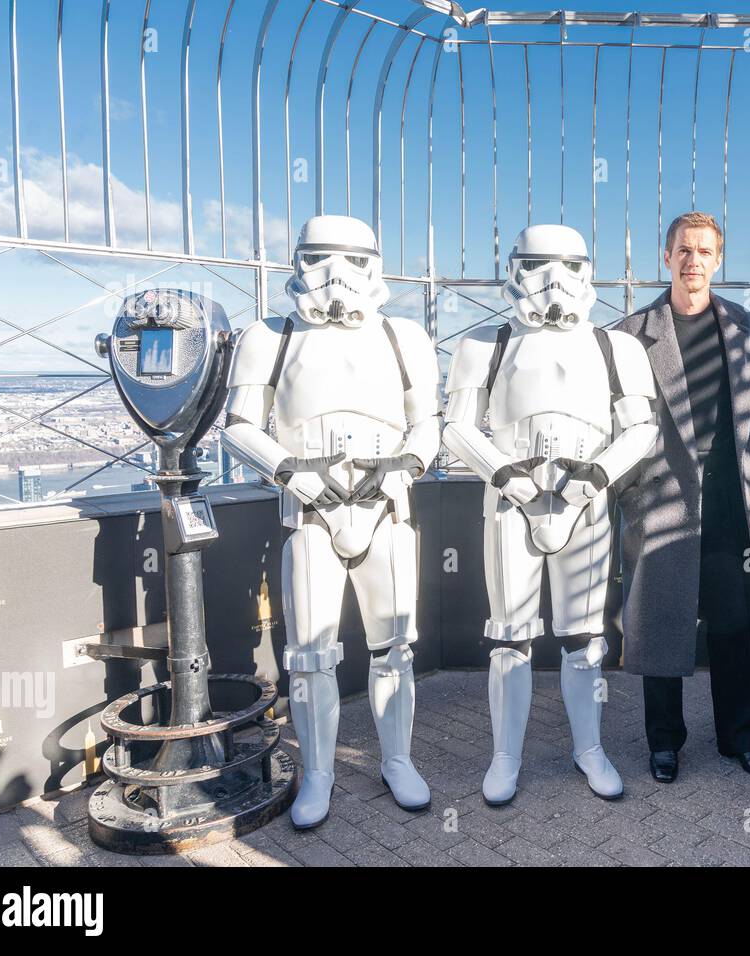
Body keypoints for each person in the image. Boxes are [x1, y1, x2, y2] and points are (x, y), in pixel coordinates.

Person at [222, 215, 441, 829]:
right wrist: (293, 472)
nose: (335, 275)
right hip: (310, 515)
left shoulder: (405, 337)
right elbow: (240, 424)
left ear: (374, 263)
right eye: (320, 258)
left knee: (395, 648)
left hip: (386, 508)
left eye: (351, 259)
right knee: (310, 655)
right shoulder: (270, 336)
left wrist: (404, 466)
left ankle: (397, 759)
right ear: (298, 260)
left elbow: (428, 421)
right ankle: (318, 772)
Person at [443, 224, 658, 807]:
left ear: (589, 271)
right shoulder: (485, 345)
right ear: (515, 268)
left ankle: (589, 748)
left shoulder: (618, 348)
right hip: (509, 503)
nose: (554, 280)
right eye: (539, 264)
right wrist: (505, 473)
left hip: (585, 503)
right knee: (509, 638)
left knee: (584, 638)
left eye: (569, 265)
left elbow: (641, 427)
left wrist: (595, 477)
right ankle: (504, 756)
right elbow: (457, 426)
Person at [614, 211, 750, 784]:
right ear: (667, 257)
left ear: (718, 258)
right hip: (662, 496)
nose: (694, 261)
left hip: (731, 498)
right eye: (684, 250)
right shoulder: (631, 334)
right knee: (663, 621)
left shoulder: (744, 326)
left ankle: (741, 738)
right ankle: (664, 742)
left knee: (734, 626)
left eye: (704, 251)